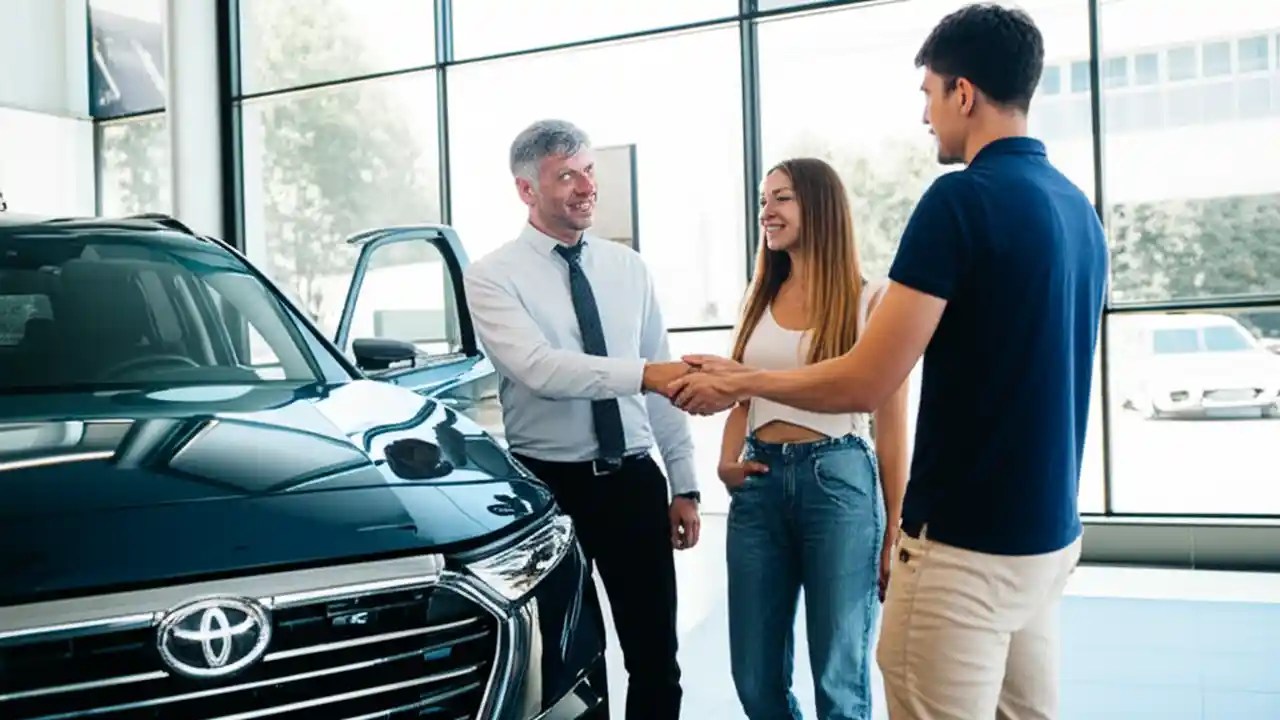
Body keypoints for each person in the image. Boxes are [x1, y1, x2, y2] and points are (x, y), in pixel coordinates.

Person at [667, 5, 1108, 719]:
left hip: (962, 552)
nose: (927, 117)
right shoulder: (1076, 208)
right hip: (1046, 541)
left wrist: (741, 380)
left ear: (963, 92)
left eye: (930, 94)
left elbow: (871, 379)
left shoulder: (960, 200)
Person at [462, 118, 700, 720]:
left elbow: (664, 380)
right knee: (565, 663)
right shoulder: (492, 276)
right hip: (550, 490)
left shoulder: (630, 269)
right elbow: (541, 369)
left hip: (633, 484)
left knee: (655, 658)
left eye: (588, 170)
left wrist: (685, 484)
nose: (584, 186)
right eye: (565, 176)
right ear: (526, 191)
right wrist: (642, 373)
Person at [720, 157, 909, 720]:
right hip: (757, 487)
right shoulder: (758, 298)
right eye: (762, 200)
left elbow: (893, 422)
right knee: (754, 677)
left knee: (838, 677)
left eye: (782, 198)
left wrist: (894, 525)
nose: (766, 212)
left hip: (840, 484)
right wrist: (727, 461)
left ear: (819, 207)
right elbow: (743, 395)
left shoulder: (871, 299)